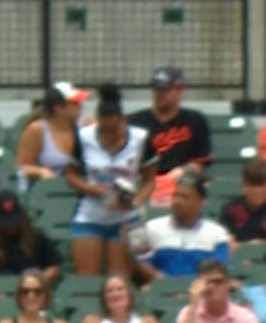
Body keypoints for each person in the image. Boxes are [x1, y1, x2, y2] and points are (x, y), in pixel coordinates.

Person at [67, 84, 148, 277]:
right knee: (87, 281)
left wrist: (134, 200)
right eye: (104, 131)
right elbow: (70, 175)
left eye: (114, 131)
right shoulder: (83, 138)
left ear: (123, 121)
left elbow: (150, 180)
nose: (109, 136)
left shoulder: (141, 139)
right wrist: (89, 188)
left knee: (119, 283)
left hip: (127, 218)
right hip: (90, 215)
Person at [131, 66, 212, 207]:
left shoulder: (195, 120)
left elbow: (199, 162)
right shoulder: (135, 121)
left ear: (180, 90)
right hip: (144, 183)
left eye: (165, 89)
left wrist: (180, 172)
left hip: (181, 183)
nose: (159, 94)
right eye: (156, 89)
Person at [136, 166, 230, 281]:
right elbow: (141, 263)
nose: (177, 201)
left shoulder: (217, 234)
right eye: (175, 195)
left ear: (200, 202)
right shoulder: (150, 228)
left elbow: (217, 270)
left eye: (184, 197)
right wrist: (166, 283)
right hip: (161, 292)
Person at [0, 191, 61, 281]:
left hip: (28, 293)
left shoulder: (36, 236)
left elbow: (54, 266)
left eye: (14, 221)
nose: (10, 226)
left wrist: (37, 282)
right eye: (6, 223)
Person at [15, 82, 87, 183]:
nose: (80, 107)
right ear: (58, 108)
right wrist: (40, 171)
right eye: (75, 103)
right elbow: (20, 168)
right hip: (45, 192)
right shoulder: (37, 130)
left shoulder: (84, 128)